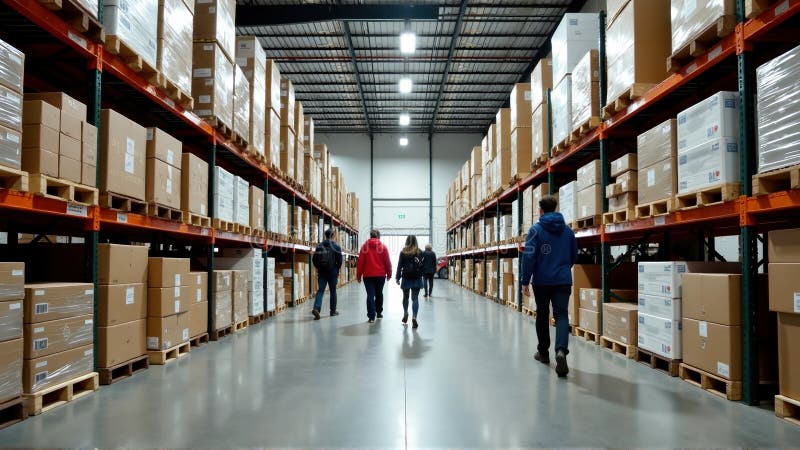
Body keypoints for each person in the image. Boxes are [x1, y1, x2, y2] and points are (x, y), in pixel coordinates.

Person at [520, 195, 578, 377]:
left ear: (541, 210)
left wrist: (524, 280)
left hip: (542, 281)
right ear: (555, 208)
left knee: (542, 314)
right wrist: (562, 269)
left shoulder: (535, 230)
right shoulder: (568, 231)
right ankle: (561, 351)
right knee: (561, 315)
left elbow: (529, 257)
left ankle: (543, 353)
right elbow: (574, 254)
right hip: (562, 280)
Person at [356, 229, 392, 323]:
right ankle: (379, 313)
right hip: (380, 275)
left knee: (370, 295)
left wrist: (358, 276)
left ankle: (371, 317)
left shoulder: (364, 247)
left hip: (368, 276)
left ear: (370, 236)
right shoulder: (383, 247)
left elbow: (360, 263)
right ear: (378, 237)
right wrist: (389, 274)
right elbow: (387, 262)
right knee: (379, 293)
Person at [311, 228, 343, 320]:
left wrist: (319, 268)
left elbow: (314, 260)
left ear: (325, 235)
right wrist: (336, 269)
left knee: (320, 291)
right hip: (332, 273)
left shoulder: (319, 246)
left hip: (322, 273)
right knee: (333, 291)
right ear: (333, 236)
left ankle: (316, 308)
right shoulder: (336, 247)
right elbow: (340, 261)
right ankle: (333, 311)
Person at [396, 235, 424, 329]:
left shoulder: (403, 252)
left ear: (407, 241)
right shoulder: (420, 252)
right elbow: (422, 266)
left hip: (406, 277)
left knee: (405, 297)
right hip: (416, 277)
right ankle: (414, 317)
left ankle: (405, 313)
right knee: (415, 298)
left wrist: (397, 277)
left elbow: (399, 266)